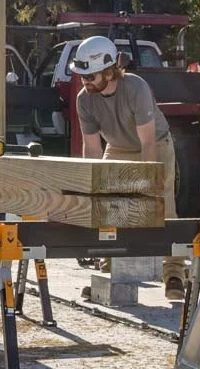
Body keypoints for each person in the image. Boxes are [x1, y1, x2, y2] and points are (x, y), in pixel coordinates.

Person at [69, 34, 184, 296]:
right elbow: (93, 147)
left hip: (156, 145)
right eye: (82, 76)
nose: (84, 81)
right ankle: (111, 270)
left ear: (109, 72)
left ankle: (175, 274)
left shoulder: (136, 88)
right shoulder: (84, 99)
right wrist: (92, 186)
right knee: (110, 208)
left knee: (162, 208)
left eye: (89, 77)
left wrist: (147, 186)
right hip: (117, 148)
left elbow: (147, 143)